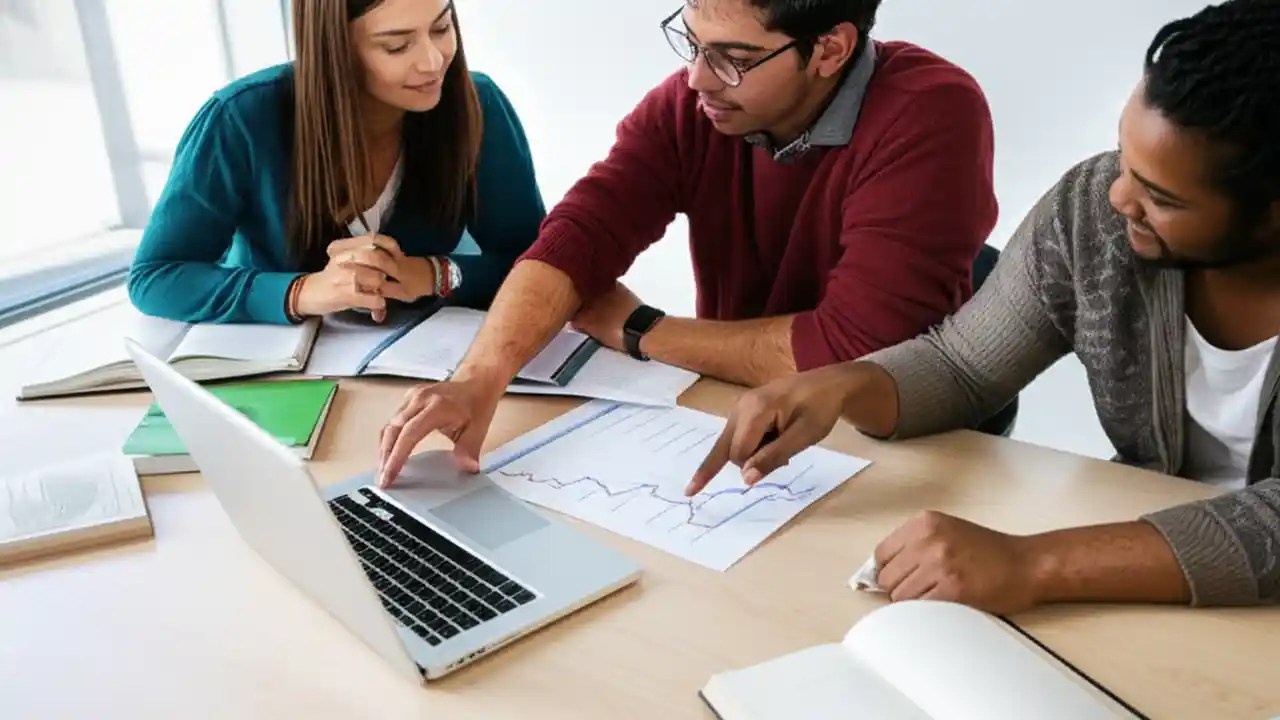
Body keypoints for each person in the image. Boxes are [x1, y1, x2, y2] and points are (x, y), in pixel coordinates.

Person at [690, 0, 1280, 612]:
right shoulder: (1093, 214)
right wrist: (841, 386)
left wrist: (1034, 562)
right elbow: (965, 364)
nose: (1118, 196)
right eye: (1126, 161)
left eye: (1162, 197)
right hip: (1148, 575)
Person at [377, 0, 998, 485]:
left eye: (733, 56)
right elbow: (577, 237)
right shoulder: (699, 104)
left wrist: (639, 327)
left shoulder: (933, 112)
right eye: (693, 42)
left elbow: (856, 355)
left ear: (830, 49)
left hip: (907, 447)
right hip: (746, 414)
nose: (698, 77)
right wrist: (478, 379)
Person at [128, 0, 544, 325]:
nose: (434, 60)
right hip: (276, 373)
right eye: (397, 45)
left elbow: (540, 265)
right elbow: (157, 276)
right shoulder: (239, 118)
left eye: (441, 27)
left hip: (419, 371)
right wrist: (304, 292)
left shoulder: (477, 105)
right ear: (336, 48)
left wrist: (434, 275)